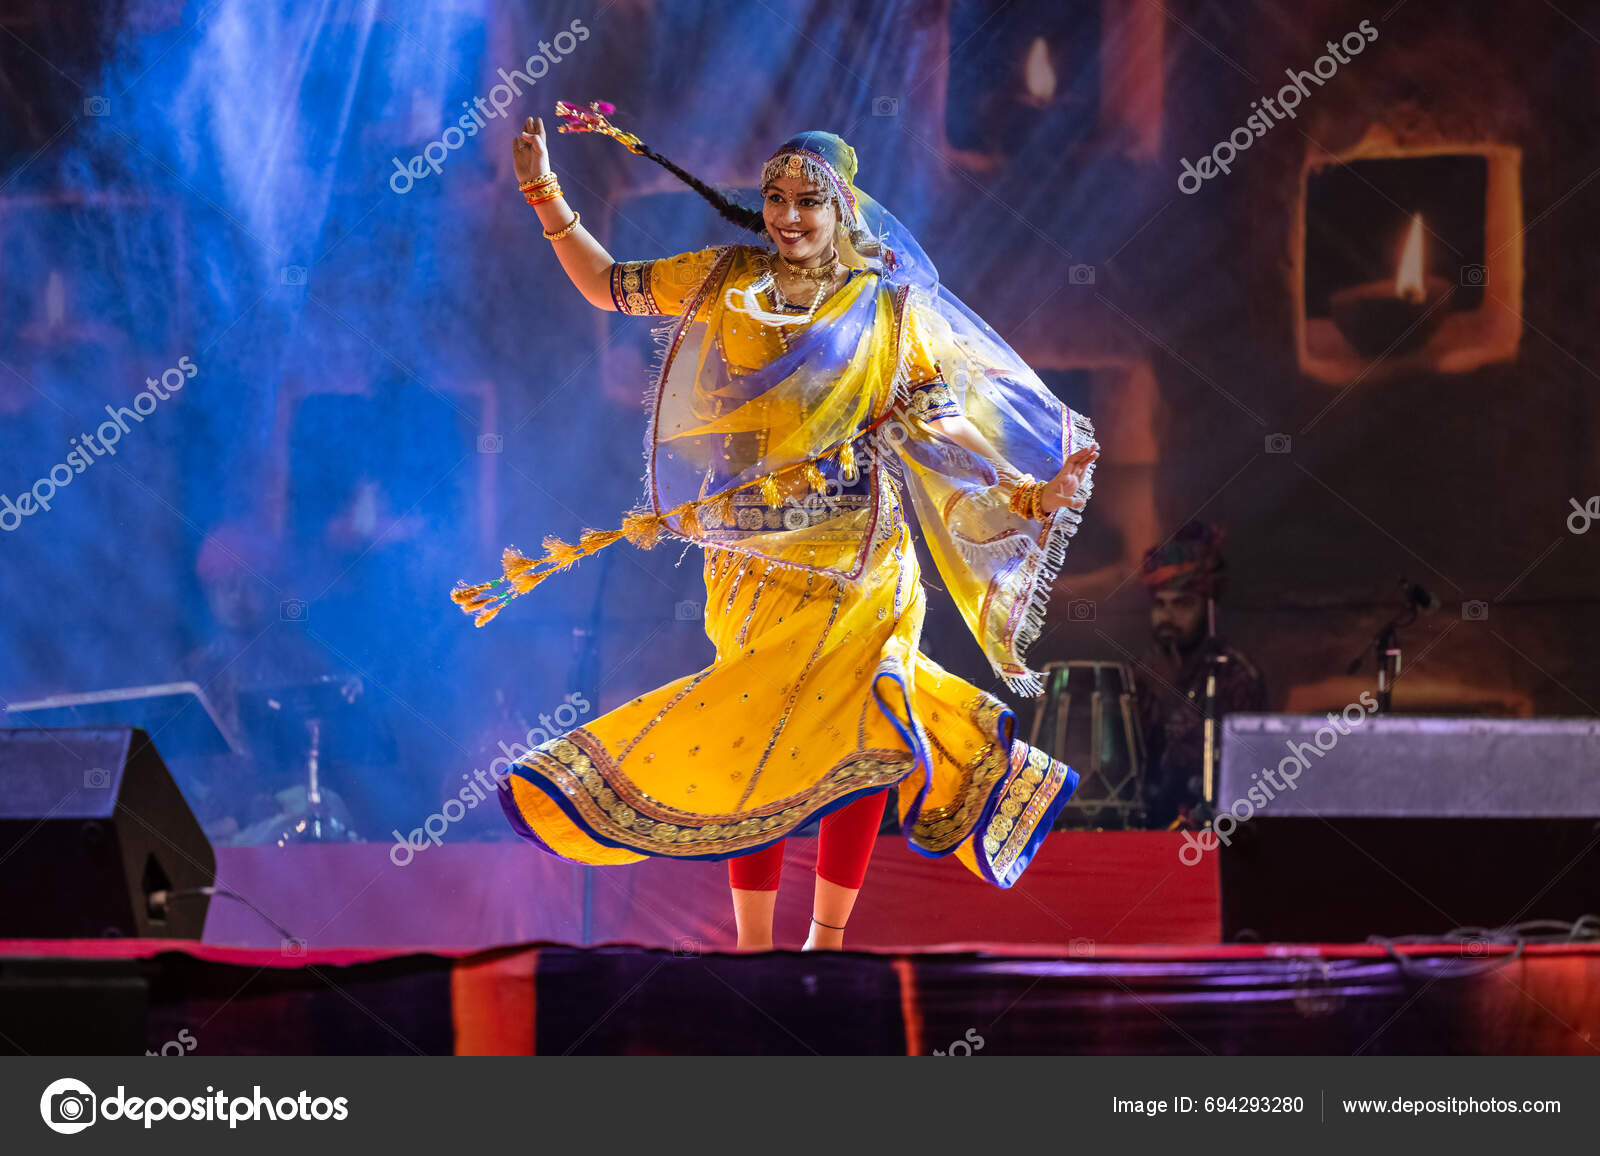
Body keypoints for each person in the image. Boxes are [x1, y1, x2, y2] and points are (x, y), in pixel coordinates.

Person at [454, 106, 1099, 951]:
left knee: (871, 729)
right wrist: (544, 194)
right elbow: (606, 284)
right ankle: (753, 951)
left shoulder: (890, 311)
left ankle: (825, 950)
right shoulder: (726, 277)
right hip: (754, 559)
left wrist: (1028, 494)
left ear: (843, 212)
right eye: (775, 197)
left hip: (864, 558)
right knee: (757, 729)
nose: (789, 216)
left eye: (809, 200)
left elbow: (943, 427)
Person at [1132, 522, 1266, 828]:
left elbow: (1242, 775)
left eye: (1182, 604)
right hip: (1143, 832)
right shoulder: (1136, 675)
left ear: (1209, 609)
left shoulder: (1234, 675)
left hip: (1213, 834)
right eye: (1160, 605)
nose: (1168, 617)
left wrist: (1172, 693)